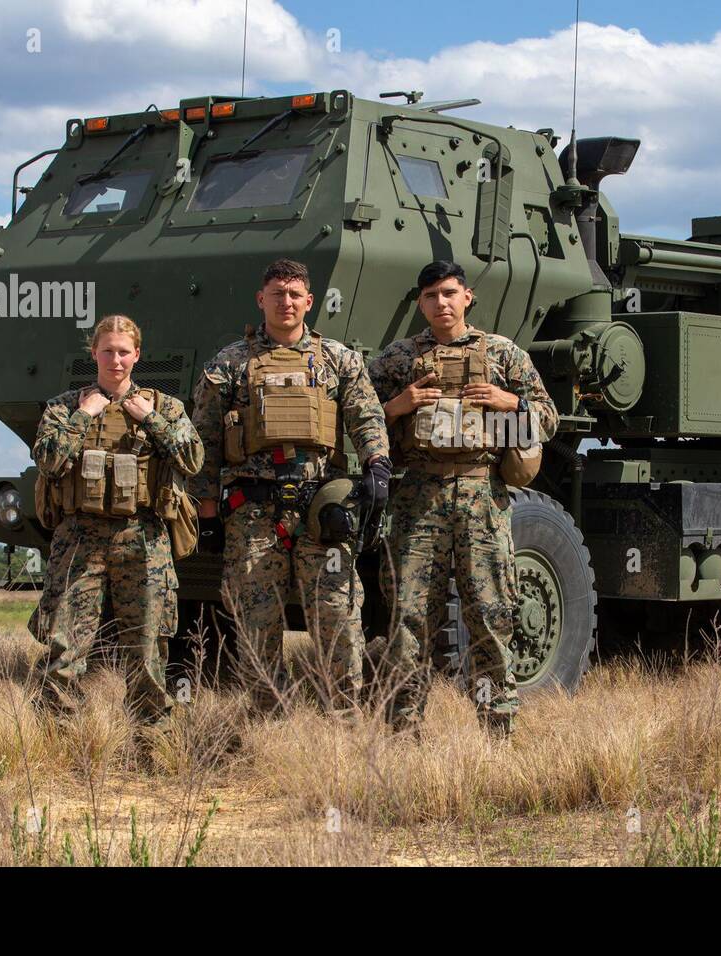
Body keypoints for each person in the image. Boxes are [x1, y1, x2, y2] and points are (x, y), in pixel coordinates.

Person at [190, 258, 390, 712]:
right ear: (261, 299)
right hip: (252, 516)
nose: (286, 302)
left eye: (295, 294)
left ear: (309, 301)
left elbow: (366, 416)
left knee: (338, 616)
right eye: (277, 293)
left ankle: (345, 722)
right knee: (255, 624)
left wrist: (377, 463)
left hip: (323, 514)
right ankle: (268, 722)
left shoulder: (339, 360)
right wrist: (206, 515)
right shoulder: (229, 364)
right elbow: (206, 440)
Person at [368, 260, 558, 736]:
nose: (441, 302)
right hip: (416, 499)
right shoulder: (397, 358)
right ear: (420, 303)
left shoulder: (502, 354)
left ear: (467, 297)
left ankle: (498, 729)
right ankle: (404, 732)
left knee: (491, 614)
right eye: (431, 296)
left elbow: (549, 420)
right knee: (409, 617)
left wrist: (508, 402)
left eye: (450, 293)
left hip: (481, 496)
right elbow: (359, 420)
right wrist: (400, 405)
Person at [28, 314, 204, 725]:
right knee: (64, 643)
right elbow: (47, 461)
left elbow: (193, 459)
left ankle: (152, 739)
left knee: (146, 646)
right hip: (79, 538)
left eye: (124, 352)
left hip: (141, 537)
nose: (116, 360)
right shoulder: (63, 407)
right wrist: (83, 416)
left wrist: (152, 421)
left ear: (137, 354)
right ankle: (58, 735)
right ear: (94, 353)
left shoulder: (163, 406)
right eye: (107, 351)